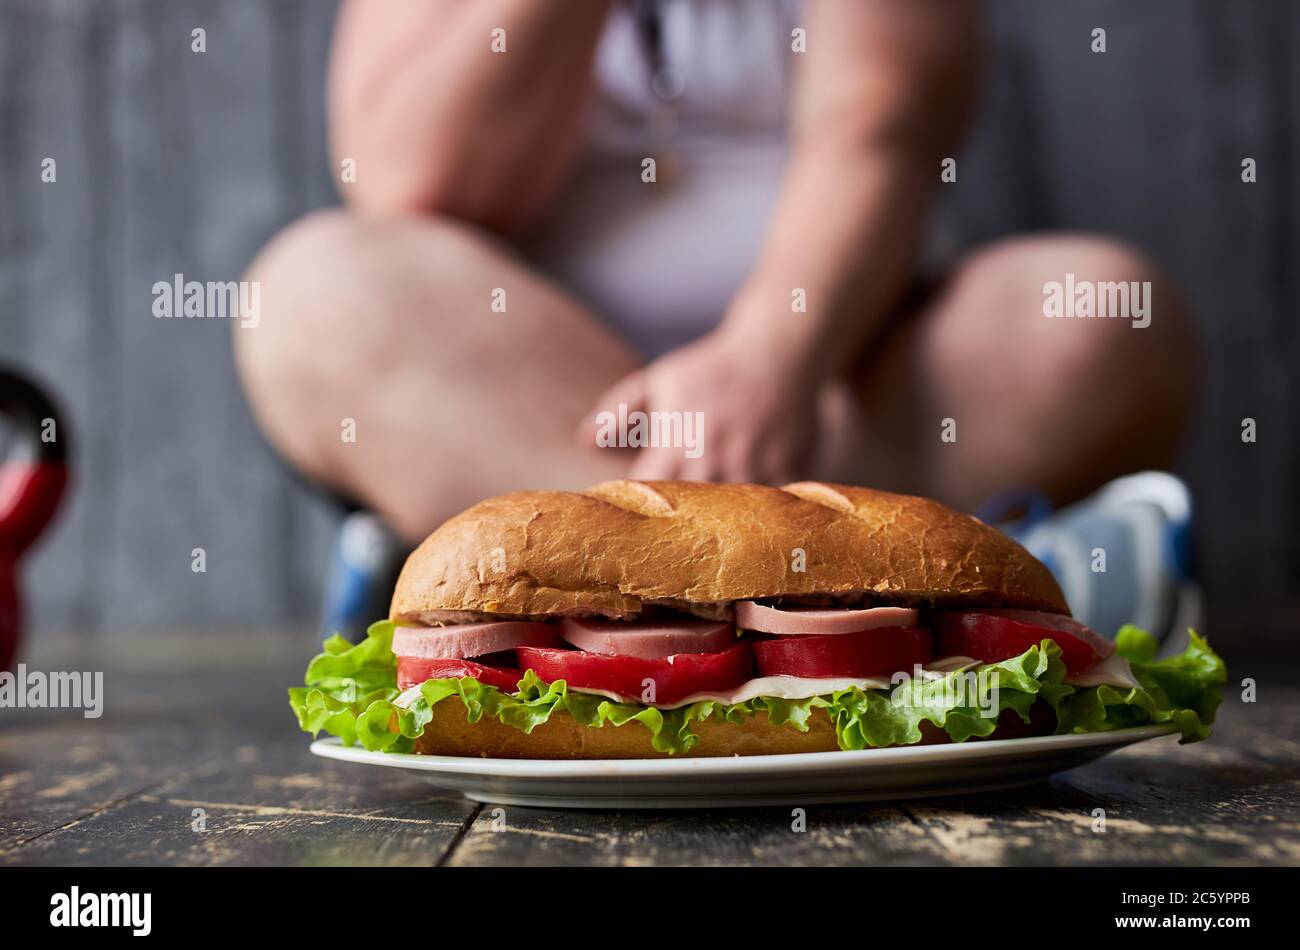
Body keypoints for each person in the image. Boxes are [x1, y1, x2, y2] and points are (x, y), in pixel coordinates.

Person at [234, 0, 1197, 550]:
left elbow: (883, 126)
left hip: (832, 383)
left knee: (1105, 311)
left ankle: (535, 576)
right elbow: (413, 180)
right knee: (311, 295)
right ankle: (910, 581)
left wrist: (769, 354)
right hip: (545, 400)